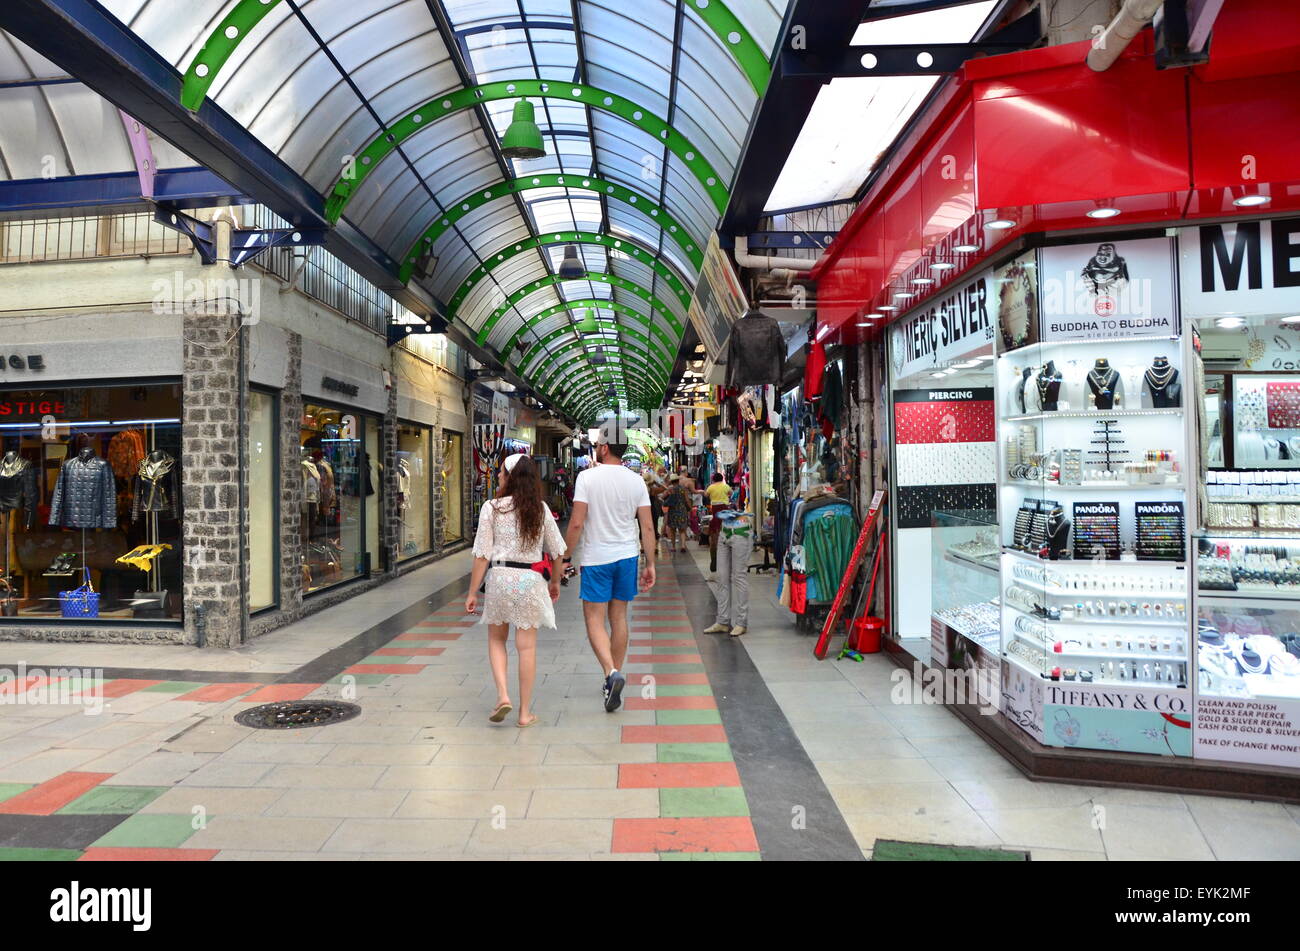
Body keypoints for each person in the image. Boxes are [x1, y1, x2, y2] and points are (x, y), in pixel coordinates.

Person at [465, 454, 566, 728]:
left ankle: (502, 695)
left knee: (497, 640)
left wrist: (473, 591)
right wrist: (555, 582)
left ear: (510, 477)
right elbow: (558, 550)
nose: (498, 476)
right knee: (527, 647)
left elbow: (481, 555)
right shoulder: (540, 509)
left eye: (500, 472)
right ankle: (524, 714)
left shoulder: (492, 508)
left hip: (499, 578)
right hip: (530, 580)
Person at [560, 435, 656, 712]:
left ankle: (610, 673)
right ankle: (613, 676)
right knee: (619, 617)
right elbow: (647, 527)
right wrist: (650, 562)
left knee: (594, 618)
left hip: (597, 557)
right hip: (627, 556)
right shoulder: (636, 480)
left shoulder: (587, 479)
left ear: (603, 447)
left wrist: (566, 557)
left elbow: (577, 523)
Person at [702, 492, 754, 638]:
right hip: (725, 531)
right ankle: (723, 621)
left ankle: (741, 623)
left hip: (741, 532)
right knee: (722, 577)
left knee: (739, 577)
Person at [704, 471, 732, 573]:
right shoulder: (726, 486)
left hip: (715, 511)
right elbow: (731, 493)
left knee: (714, 536)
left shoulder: (711, 487)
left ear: (713, 479)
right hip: (725, 511)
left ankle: (714, 560)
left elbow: (706, 495)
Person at [663, 475, 691, 553]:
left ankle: (673, 547)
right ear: (678, 481)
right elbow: (687, 500)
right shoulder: (683, 489)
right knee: (682, 529)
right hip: (682, 510)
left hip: (673, 510)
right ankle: (682, 545)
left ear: (672, 481)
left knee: (673, 530)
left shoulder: (670, 489)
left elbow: (663, 497)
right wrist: (689, 508)